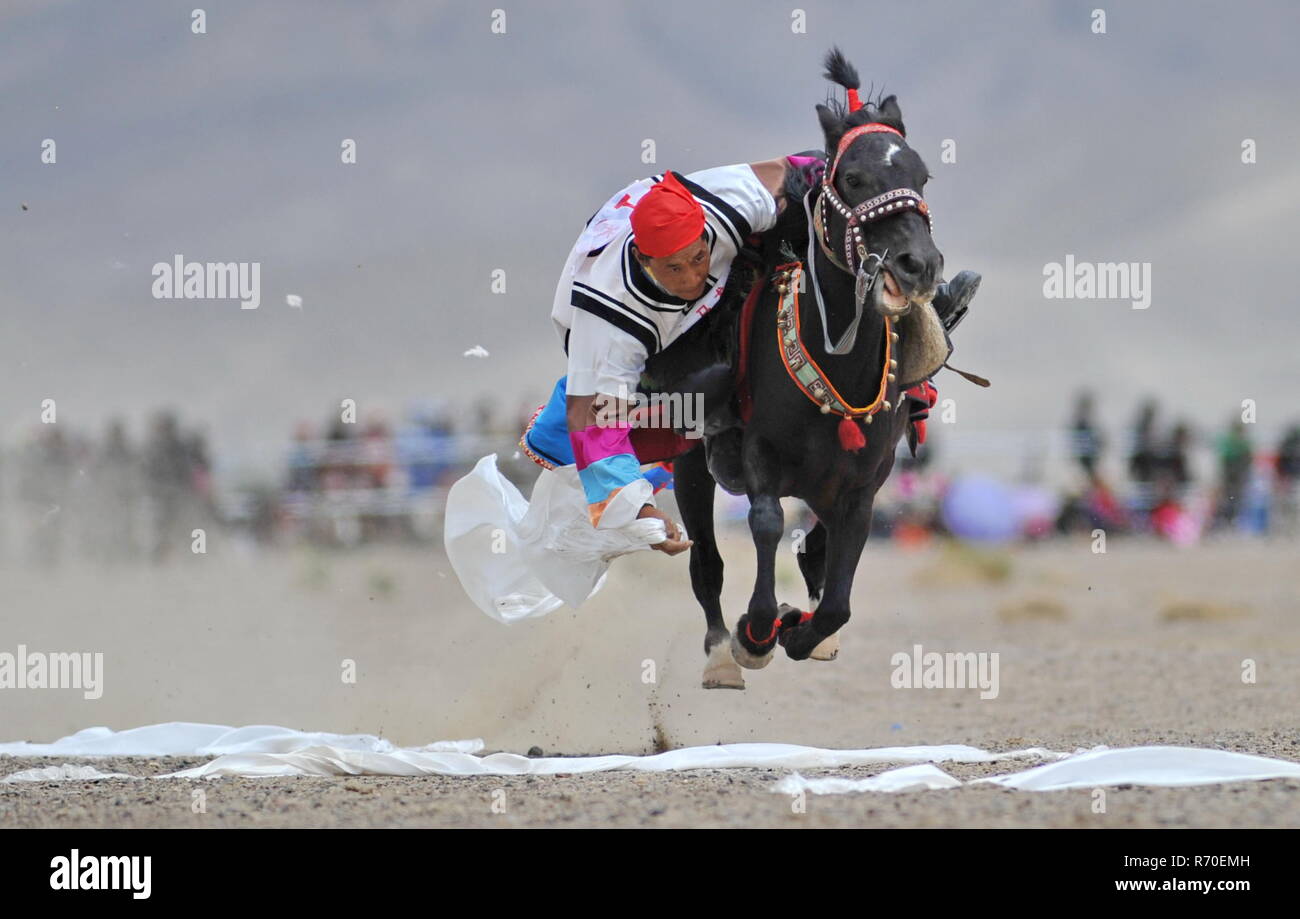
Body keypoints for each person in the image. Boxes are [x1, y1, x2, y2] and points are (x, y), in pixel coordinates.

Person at [522, 159, 980, 555]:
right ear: (644, 260)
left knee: (814, 220)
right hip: (649, 354)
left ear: (707, 235)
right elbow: (596, 430)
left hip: (727, 247)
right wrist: (642, 515)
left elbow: (820, 170)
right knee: (696, 401)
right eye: (674, 269)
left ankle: (917, 321)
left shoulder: (734, 202)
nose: (691, 276)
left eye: (698, 258)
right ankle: (724, 425)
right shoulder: (606, 330)